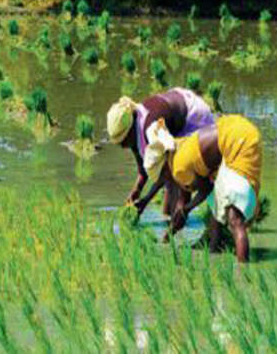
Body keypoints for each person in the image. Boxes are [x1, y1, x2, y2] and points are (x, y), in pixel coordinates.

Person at [134, 114, 263, 263]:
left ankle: (243, 271)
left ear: (164, 168)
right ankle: (214, 248)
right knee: (216, 201)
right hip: (238, 128)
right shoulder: (177, 149)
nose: (166, 182)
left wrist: (187, 209)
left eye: (163, 177)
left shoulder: (178, 169)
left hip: (238, 141)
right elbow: (183, 202)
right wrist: (169, 234)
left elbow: (206, 188)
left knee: (235, 218)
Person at [105, 88, 215, 210]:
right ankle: (173, 217)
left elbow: (166, 172)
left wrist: (145, 200)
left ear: (130, 130)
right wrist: (136, 191)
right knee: (170, 191)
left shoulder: (151, 129)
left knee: (178, 174)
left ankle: (179, 217)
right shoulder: (134, 128)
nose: (121, 146)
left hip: (194, 118)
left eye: (122, 141)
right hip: (175, 122)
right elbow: (143, 168)